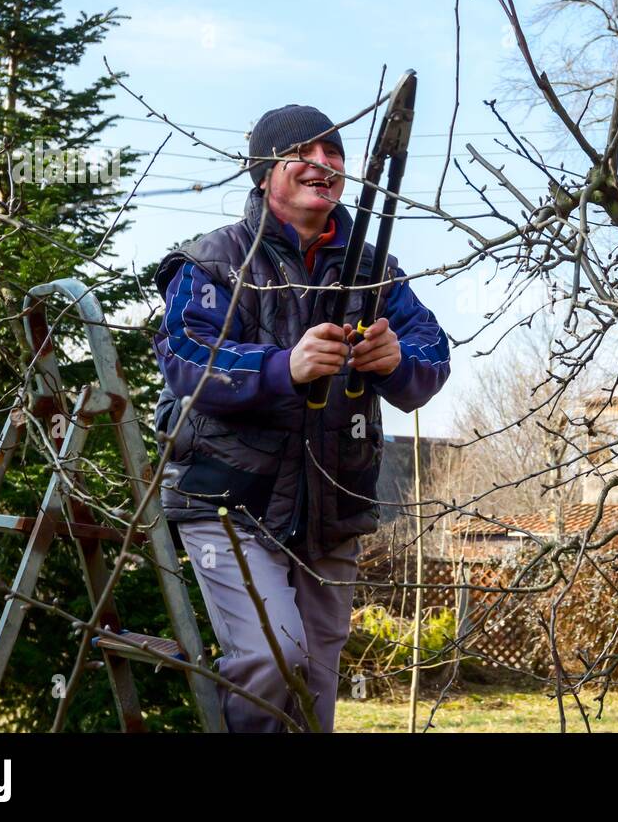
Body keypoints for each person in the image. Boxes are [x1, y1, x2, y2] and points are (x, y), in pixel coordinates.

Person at [150, 104, 450, 732]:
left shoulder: (373, 269)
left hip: (331, 505)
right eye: (304, 153)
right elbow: (184, 357)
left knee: (315, 676)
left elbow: (433, 352)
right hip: (228, 500)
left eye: (335, 154)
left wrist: (395, 359)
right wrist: (284, 366)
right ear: (265, 173)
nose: (326, 165)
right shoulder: (212, 263)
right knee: (271, 655)